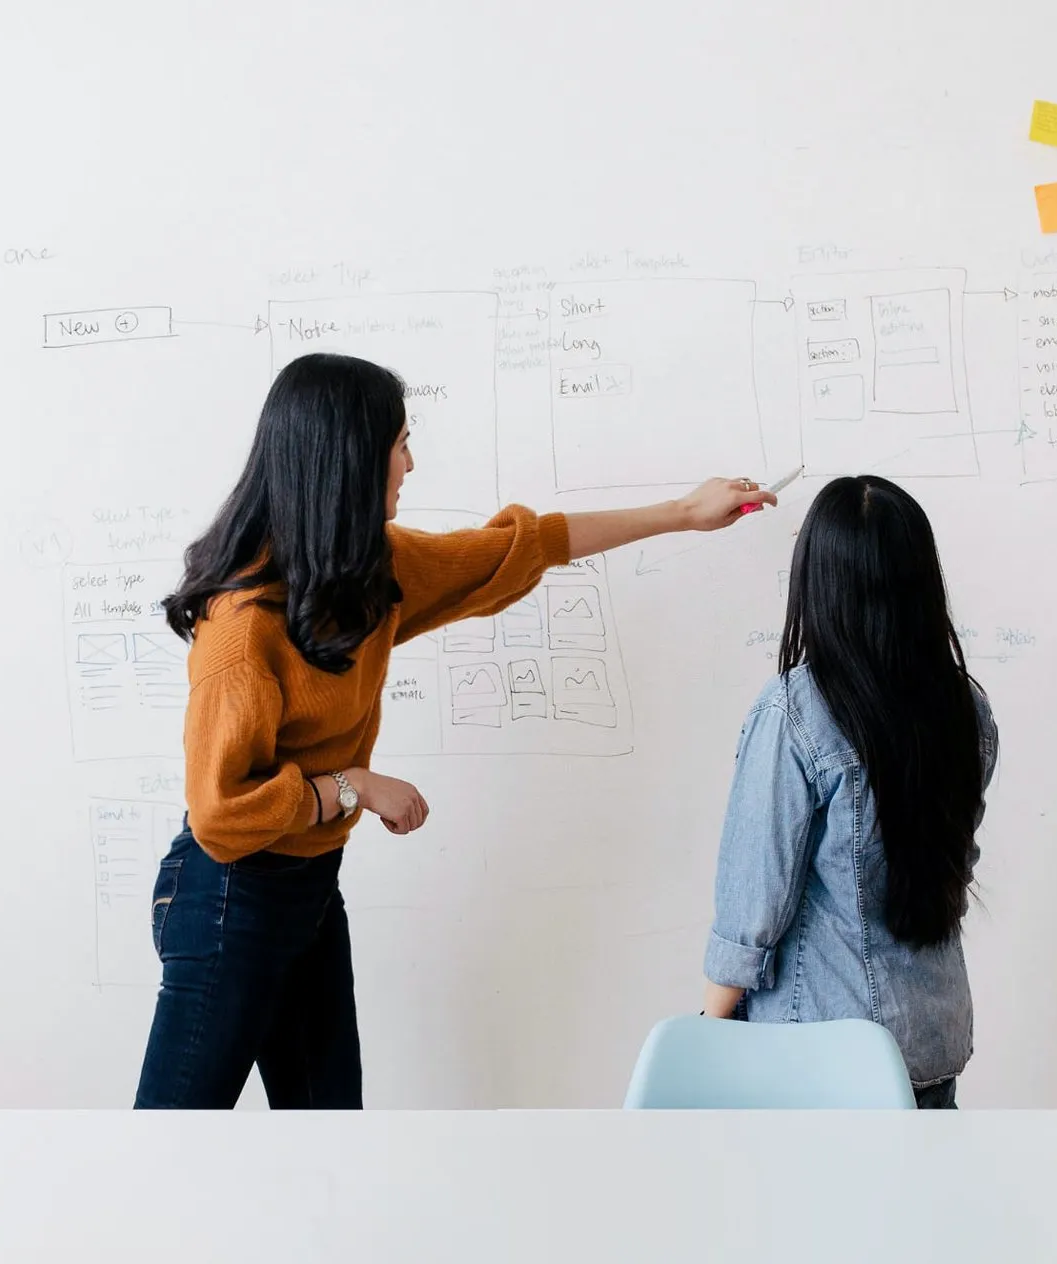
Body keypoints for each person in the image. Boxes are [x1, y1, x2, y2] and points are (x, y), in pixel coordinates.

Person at [136, 351, 774, 1109]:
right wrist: (352, 787)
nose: (409, 462)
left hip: (306, 890)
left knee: (327, 1132)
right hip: (224, 898)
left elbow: (522, 547)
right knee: (171, 1138)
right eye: (398, 443)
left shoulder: (366, 574)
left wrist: (682, 513)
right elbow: (219, 816)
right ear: (348, 459)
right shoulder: (241, 632)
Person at [699, 475, 998, 1109]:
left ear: (818, 579)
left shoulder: (797, 710)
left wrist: (707, 1029)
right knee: (913, 1208)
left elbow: (755, 902)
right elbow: (952, 864)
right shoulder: (963, 706)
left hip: (820, 1050)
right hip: (931, 1040)